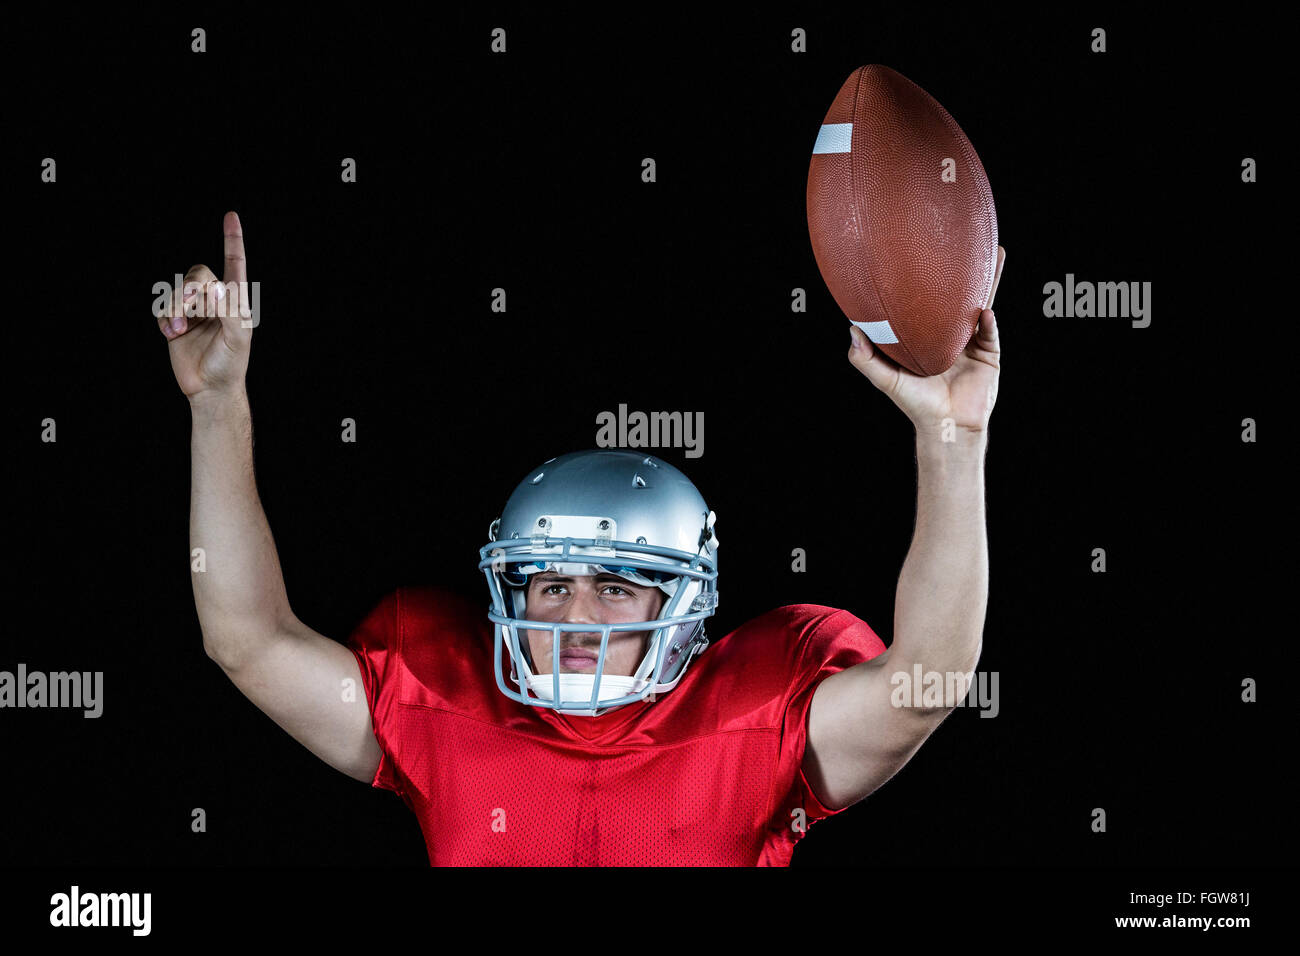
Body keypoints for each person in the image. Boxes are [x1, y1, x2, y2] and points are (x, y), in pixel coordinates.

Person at [162, 211, 1005, 865]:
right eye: (551, 585)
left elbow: (925, 683)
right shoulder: (441, 703)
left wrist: (953, 442)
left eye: (614, 585)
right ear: (511, 590)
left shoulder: (759, 713)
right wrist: (217, 402)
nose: (572, 615)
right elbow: (247, 641)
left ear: (680, 606)